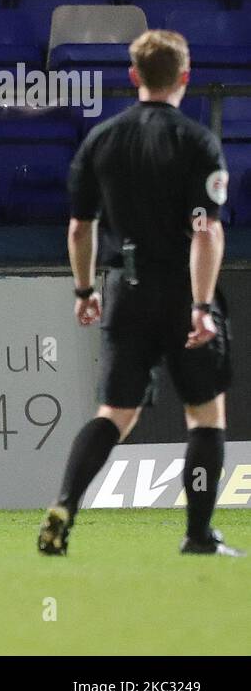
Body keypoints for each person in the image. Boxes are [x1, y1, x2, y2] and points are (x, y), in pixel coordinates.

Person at [38, 29, 241, 557]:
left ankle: (64, 504)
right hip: (181, 290)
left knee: (114, 414)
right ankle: (198, 534)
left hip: (126, 288)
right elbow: (206, 231)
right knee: (204, 415)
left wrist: (84, 289)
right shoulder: (198, 142)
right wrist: (200, 306)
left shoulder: (101, 140)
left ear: (134, 77)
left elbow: (79, 228)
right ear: (185, 77)